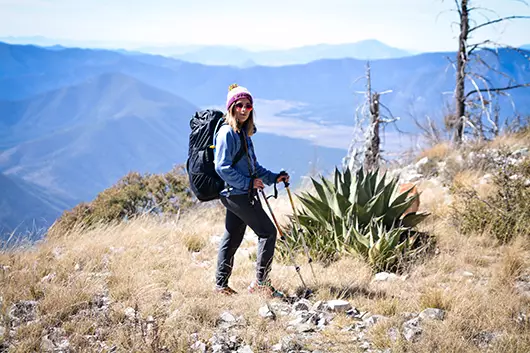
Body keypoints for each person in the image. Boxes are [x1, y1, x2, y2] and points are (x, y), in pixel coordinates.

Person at [213, 83, 289, 297]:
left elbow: (254, 168)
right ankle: (261, 284)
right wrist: (247, 184)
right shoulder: (227, 133)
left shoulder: (243, 134)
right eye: (239, 105)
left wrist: (274, 177)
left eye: (248, 105)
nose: (244, 109)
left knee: (232, 237)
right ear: (231, 108)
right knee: (268, 232)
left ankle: (221, 286)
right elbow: (222, 167)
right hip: (238, 194)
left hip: (236, 194)